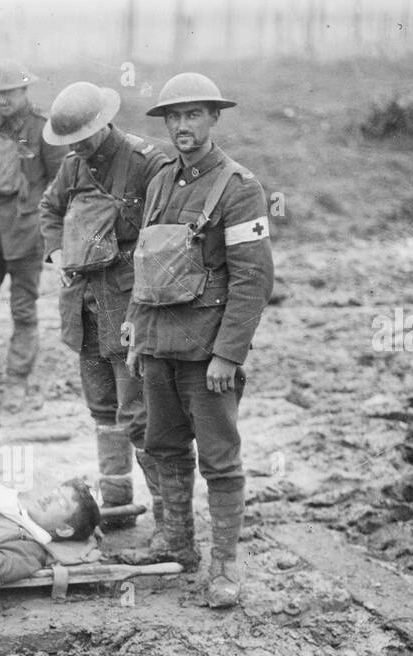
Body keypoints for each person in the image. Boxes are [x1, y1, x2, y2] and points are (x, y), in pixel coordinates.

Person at [122, 73, 274, 606]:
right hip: (159, 346)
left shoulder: (238, 187)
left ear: (213, 119)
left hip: (207, 354)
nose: (181, 126)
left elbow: (253, 279)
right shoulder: (161, 181)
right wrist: (139, 337)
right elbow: (150, 263)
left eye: (193, 115)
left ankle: (225, 569)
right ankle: (177, 544)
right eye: (173, 116)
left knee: (220, 460)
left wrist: (228, 354)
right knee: (162, 446)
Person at [39, 81, 170, 521]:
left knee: (138, 414)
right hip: (84, 306)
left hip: (129, 304)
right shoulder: (74, 165)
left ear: (103, 124)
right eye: (68, 142)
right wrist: (58, 252)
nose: (75, 148)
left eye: (81, 138)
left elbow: (168, 235)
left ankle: (171, 518)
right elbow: (50, 208)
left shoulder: (145, 162)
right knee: (102, 410)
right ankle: (118, 503)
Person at [0, 59, 66, 395]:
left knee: (23, 309)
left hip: (24, 235)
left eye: (9, 93)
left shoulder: (41, 128)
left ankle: (17, 379)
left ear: (24, 90)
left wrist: (37, 220)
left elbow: (59, 183)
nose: (2, 100)